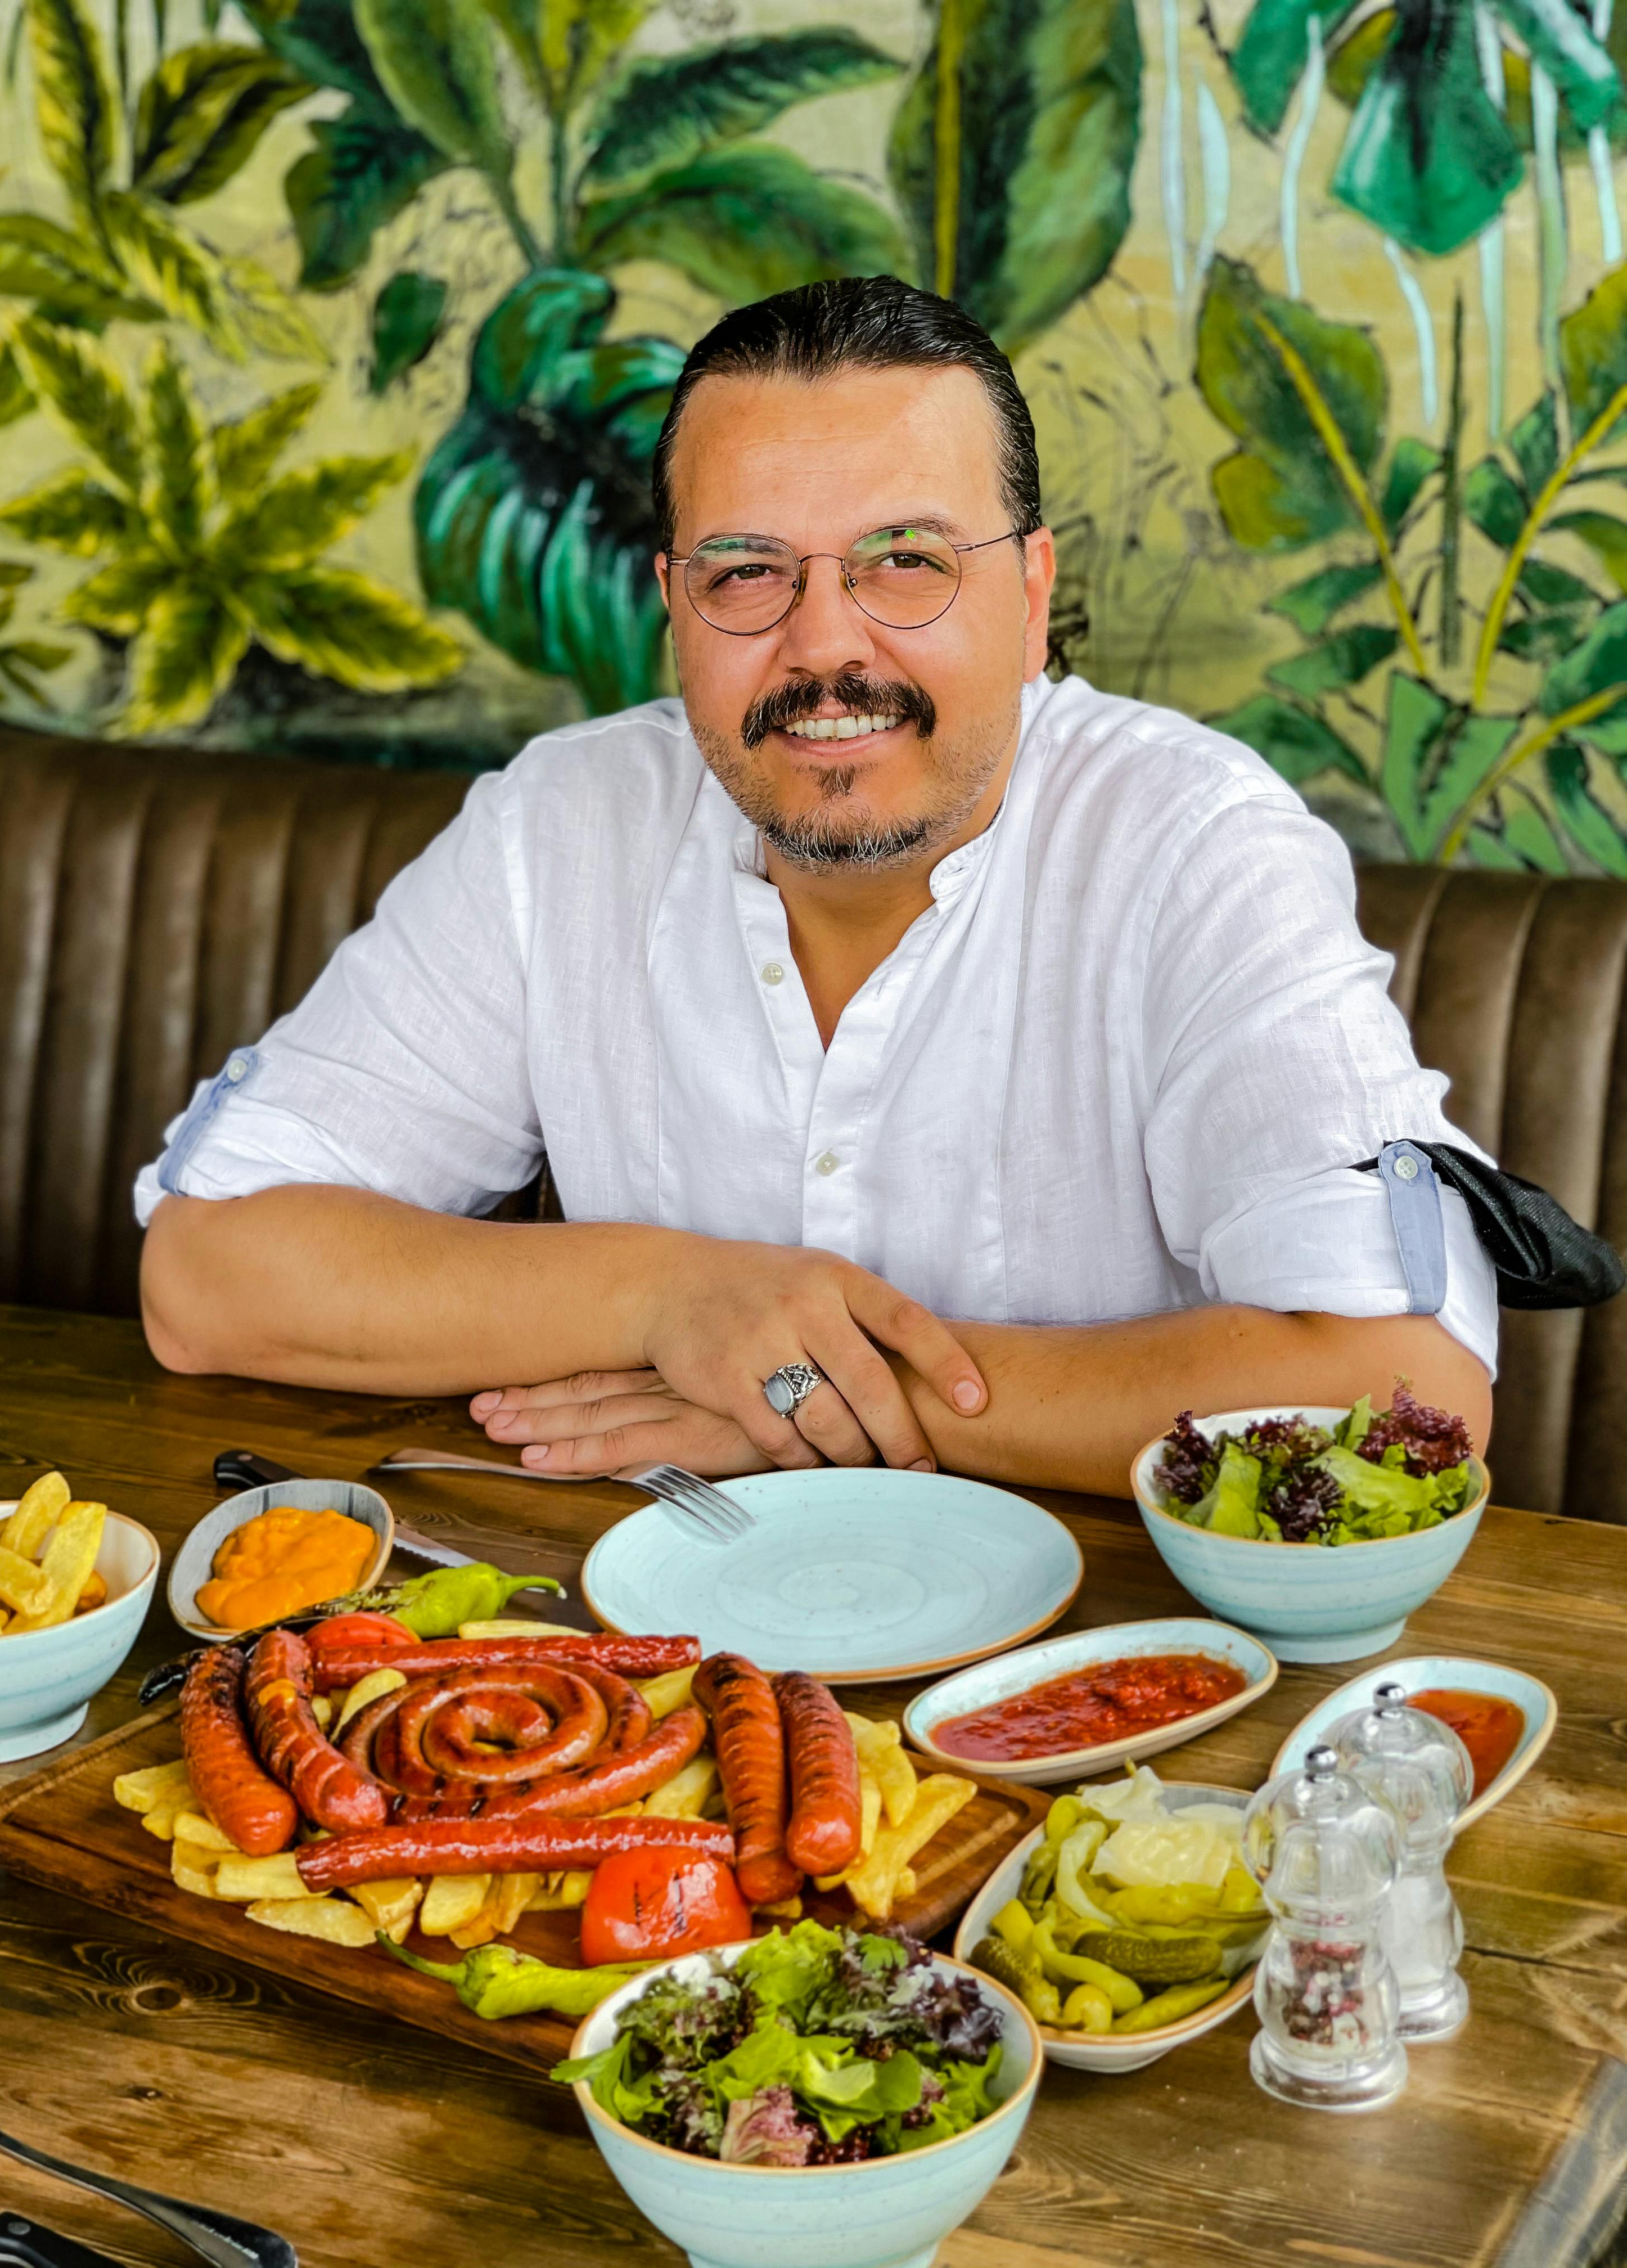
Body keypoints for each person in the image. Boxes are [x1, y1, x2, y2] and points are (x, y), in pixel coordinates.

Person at [137, 276, 1494, 1492]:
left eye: (907, 561)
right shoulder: (564, 824)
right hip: (657, 1652)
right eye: (746, 572)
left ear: (1029, 600)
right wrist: (676, 1301)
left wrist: (816, 1398)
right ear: (677, 606)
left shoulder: (1194, 845)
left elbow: (1405, 1387)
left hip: (1110, 1672)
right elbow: (209, 1276)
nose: (825, 644)